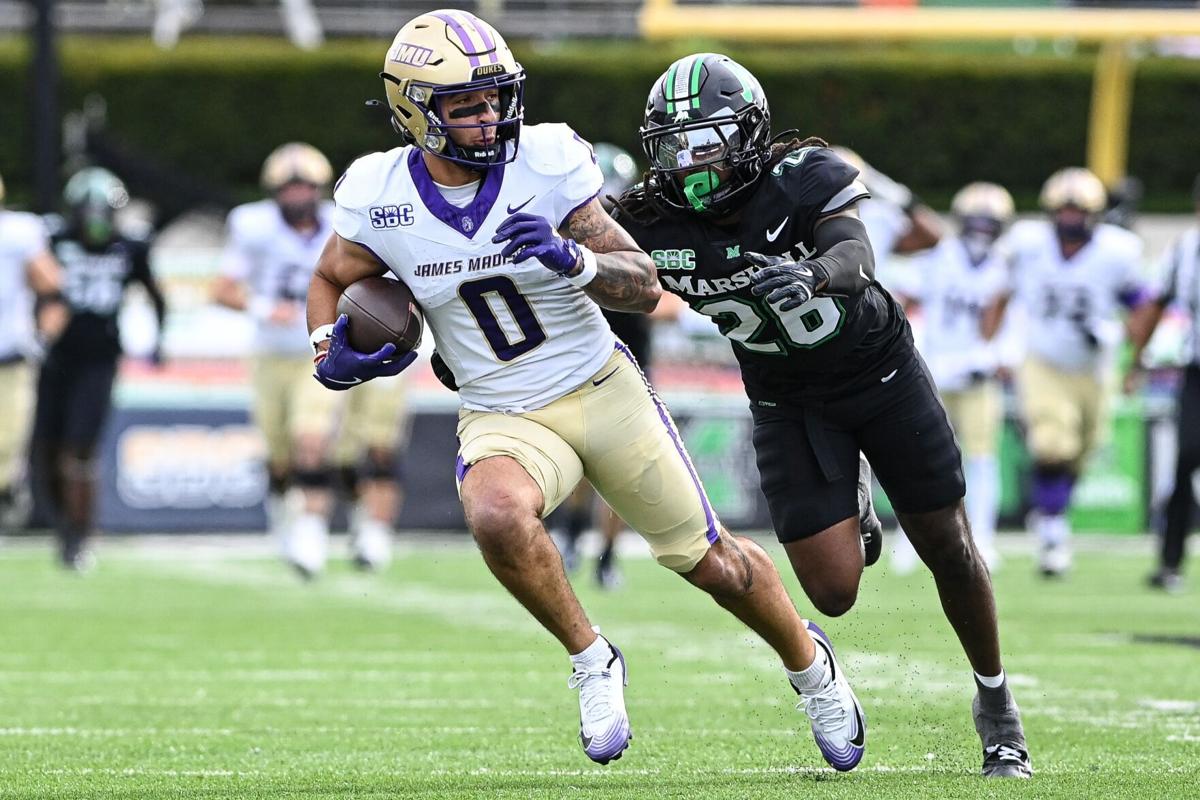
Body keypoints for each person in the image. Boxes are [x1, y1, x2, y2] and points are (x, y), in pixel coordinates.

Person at [305, 11, 866, 771]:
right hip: (503, 407)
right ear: (414, 110)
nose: (489, 117)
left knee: (715, 566)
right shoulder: (377, 192)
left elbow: (643, 285)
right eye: (466, 105)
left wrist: (576, 261)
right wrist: (327, 347)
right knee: (497, 513)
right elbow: (332, 277)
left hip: (601, 389)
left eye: (497, 98)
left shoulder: (546, 163)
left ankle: (809, 666)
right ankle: (591, 656)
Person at [613, 52, 1030, 778]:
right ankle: (855, 496)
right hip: (786, 397)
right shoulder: (646, 218)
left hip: (880, 372)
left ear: (747, 134)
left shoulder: (803, 174)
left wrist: (813, 273)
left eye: (706, 140)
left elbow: (855, 251)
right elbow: (586, 272)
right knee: (834, 594)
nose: (688, 161)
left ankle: (996, 707)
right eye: (674, 146)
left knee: (946, 544)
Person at [1003, 167, 1149, 578]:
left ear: (1095, 214)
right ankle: (1052, 534)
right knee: (1051, 445)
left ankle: (1053, 513)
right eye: (1063, 211)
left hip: (1095, 367)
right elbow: (997, 288)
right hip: (1043, 359)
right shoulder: (1028, 245)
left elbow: (1141, 303)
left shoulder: (1117, 251)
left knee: (1082, 453)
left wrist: (1137, 356)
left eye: (1078, 211)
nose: (1070, 219)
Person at [553, 141, 684, 589]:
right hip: (580, 362)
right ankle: (572, 536)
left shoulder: (640, 235)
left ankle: (607, 555)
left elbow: (668, 304)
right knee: (583, 463)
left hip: (631, 364)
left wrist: (623, 290)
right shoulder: (566, 233)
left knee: (626, 470)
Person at [213, 142, 345, 578]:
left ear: (318, 188)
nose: (296, 196)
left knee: (312, 439)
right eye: (288, 188)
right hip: (270, 353)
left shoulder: (342, 222)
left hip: (320, 352)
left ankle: (311, 532)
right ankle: (285, 517)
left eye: (303, 186)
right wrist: (263, 306)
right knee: (280, 455)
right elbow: (222, 288)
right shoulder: (251, 225)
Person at [31, 167, 166, 569]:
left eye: (103, 211)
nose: (95, 220)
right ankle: (63, 527)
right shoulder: (53, 240)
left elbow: (155, 295)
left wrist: (160, 342)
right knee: (48, 450)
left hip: (99, 358)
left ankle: (80, 534)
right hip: (53, 356)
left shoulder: (130, 246)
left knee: (80, 448)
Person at [889, 183, 1016, 571]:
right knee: (920, 459)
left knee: (980, 459)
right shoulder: (939, 258)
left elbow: (1009, 317)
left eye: (988, 224)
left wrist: (997, 356)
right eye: (975, 222)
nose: (980, 231)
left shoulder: (1005, 267)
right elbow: (901, 298)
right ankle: (909, 541)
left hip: (977, 373)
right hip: (934, 371)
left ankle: (984, 540)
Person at [1125, 172, 1200, 593]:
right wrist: (1136, 360)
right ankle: (1170, 562)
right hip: (1197, 370)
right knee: (1187, 456)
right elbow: (1156, 305)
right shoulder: (1186, 249)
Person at [0, 170, 68, 530]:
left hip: (10, 358)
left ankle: (9, 491)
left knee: (7, 445)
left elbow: (54, 291)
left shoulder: (18, 233)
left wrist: (42, 338)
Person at [332, 373, 410, 571]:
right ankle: (361, 520)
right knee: (344, 458)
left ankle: (377, 536)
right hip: (346, 358)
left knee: (381, 448)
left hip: (386, 356)